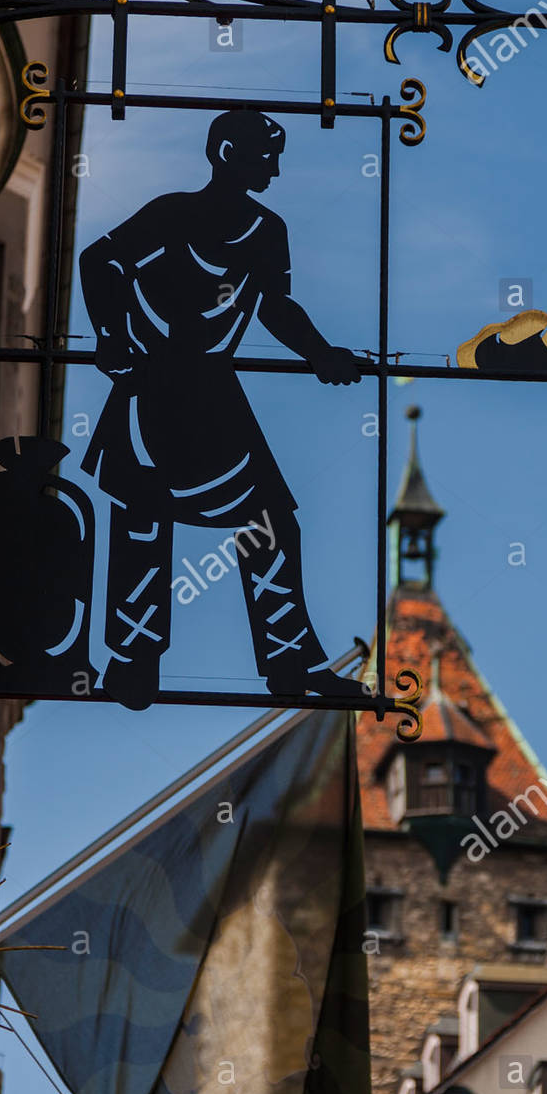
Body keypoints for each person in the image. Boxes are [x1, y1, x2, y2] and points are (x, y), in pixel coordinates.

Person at [79, 109, 369, 711]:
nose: (276, 168)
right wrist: (111, 337)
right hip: (150, 384)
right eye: (266, 155)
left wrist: (321, 354)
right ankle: (133, 659)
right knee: (143, 522)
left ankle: (289, 658)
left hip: (212, 391)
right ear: (227, 154)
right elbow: (99, 260)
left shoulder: (267, 230)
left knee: (271, 524)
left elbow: (274, 307)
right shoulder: (171, 214)